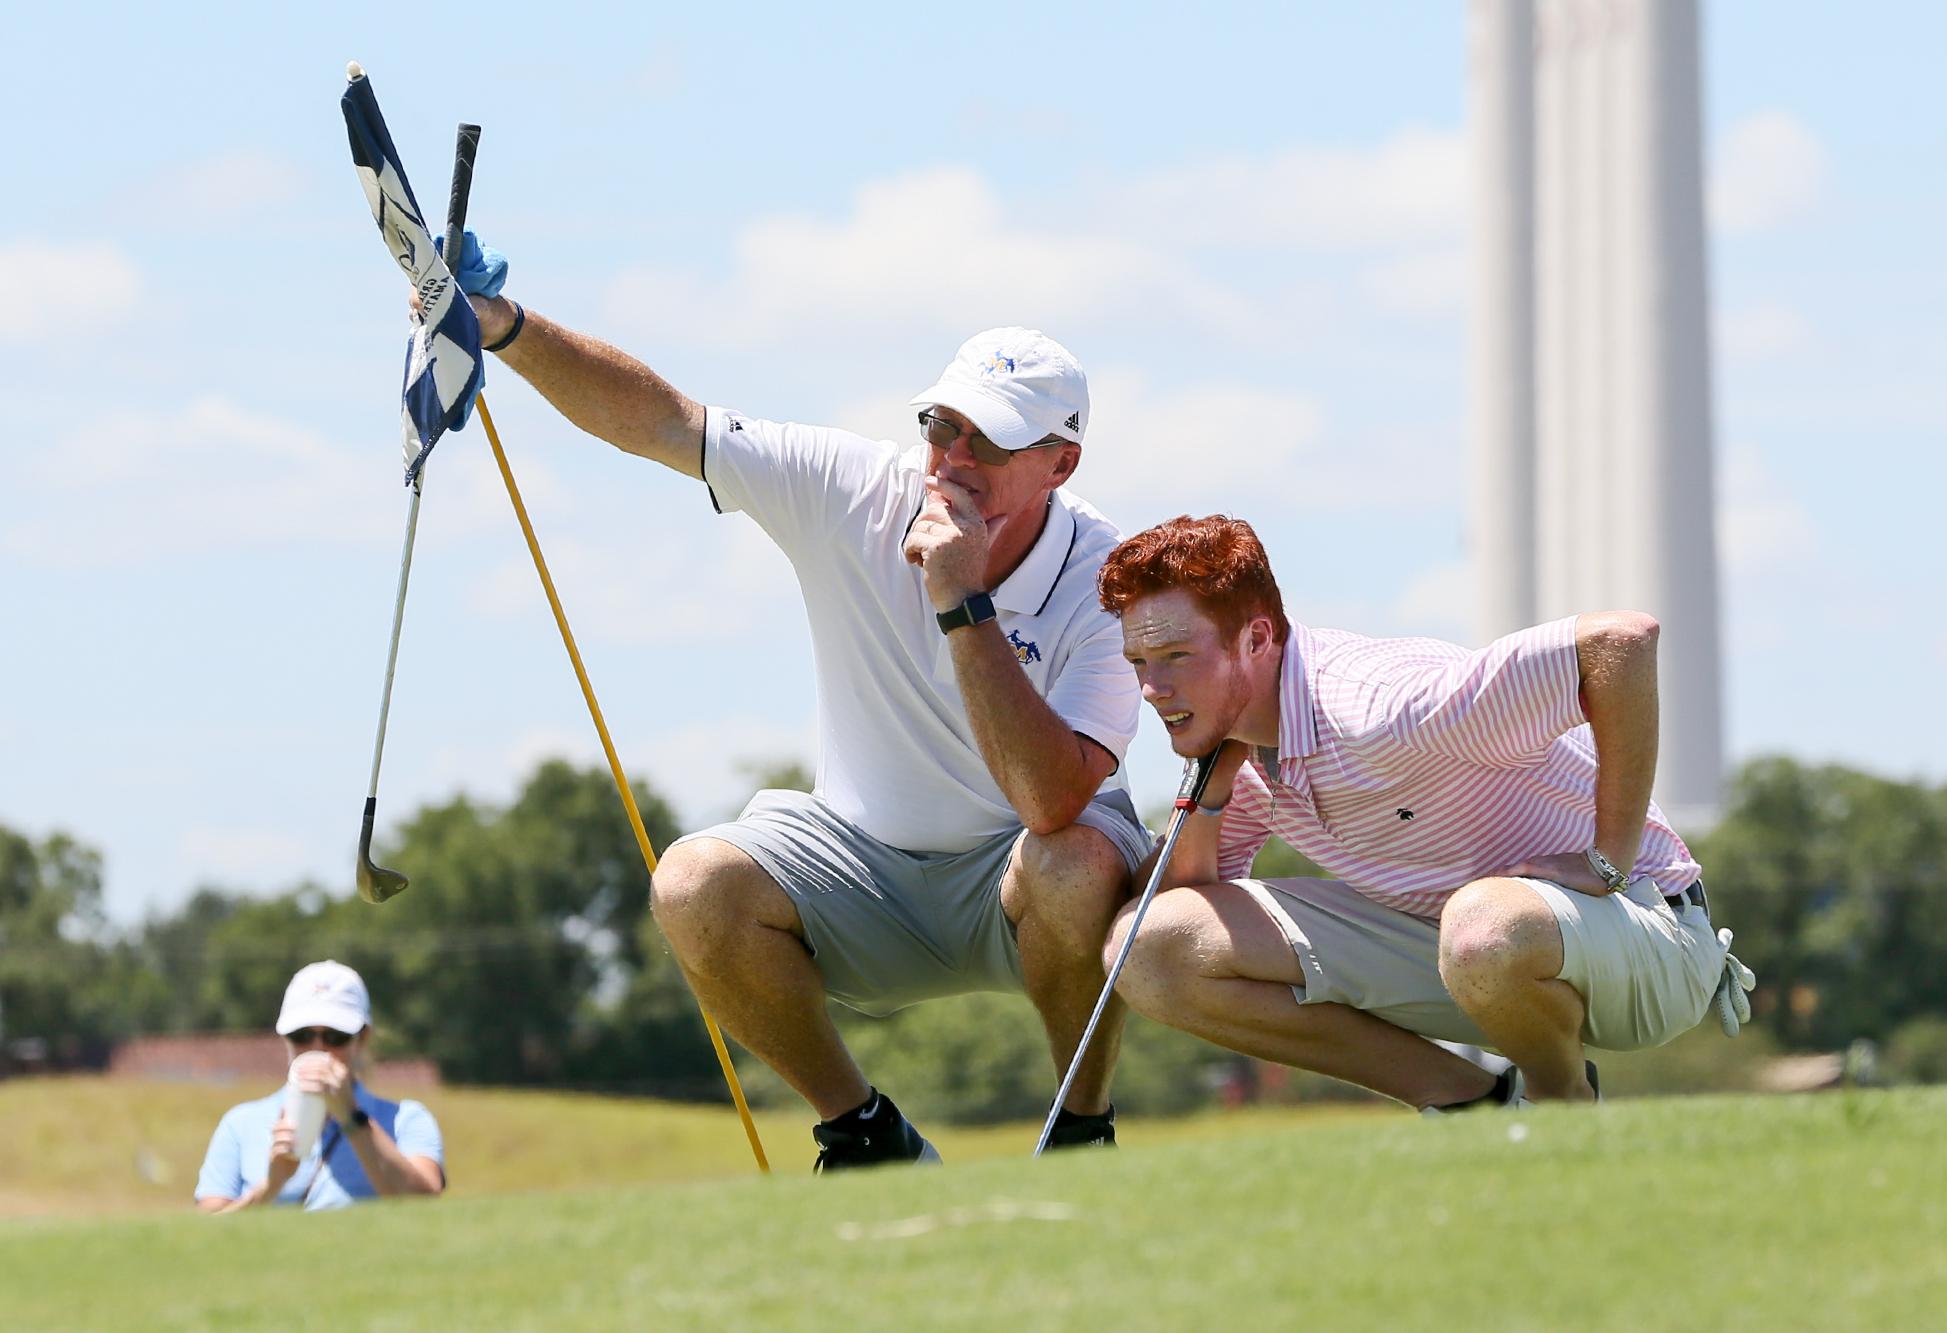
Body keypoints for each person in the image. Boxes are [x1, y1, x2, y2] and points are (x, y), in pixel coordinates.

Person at [450, 255, 1148, 1167]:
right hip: (861, 869)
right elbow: (664, 422)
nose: (955, 457)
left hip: (1021, 879)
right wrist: (505, 327)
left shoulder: (1115, 579)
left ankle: (1081, 1127)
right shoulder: (851, 485)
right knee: (692, 884)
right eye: (942, 424)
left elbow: (1052, 804)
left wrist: (962, 601)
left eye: (992, 439)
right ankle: (864, 1133)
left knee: (1074, 859)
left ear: (1062, 463)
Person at [1096, 514, 1753, 1110]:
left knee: (1480, 926)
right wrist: (1210, 788)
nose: (1153, 687)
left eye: (1178, 656)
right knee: (1145, 945)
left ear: (1257, 638)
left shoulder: (1385, 703)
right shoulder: (1236, 743)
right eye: (1139, 662)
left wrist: (1609, 856)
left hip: (1644, 935)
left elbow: (1622, 642)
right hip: (1468, 954)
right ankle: (1473, 1104)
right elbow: (1180, 909)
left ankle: (1562, 1104)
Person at [195, 960, 445, 1212]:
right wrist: (272, 1185)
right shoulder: (240, 1123)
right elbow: (204, 1235)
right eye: (301, 1035)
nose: (318, 1048)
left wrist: (351, 1117)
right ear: (285, 1038)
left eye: (335, 1036)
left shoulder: (407, 1120)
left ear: (362, 1038)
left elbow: (423, 1206)